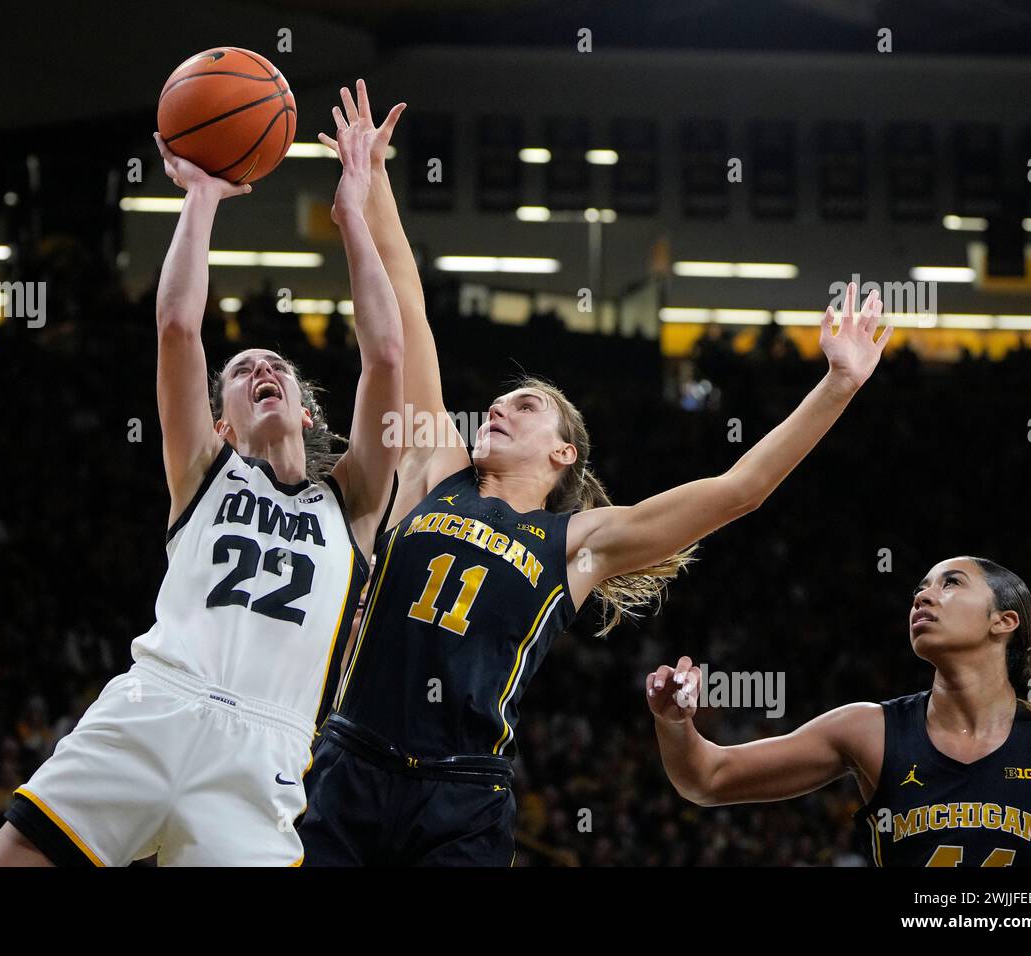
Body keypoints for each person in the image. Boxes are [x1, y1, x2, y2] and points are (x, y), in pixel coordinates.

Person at [297, 79, 892, 866]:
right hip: (349, 760)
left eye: (525, 405)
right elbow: (408, 303)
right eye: (498, 401)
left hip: (461, 793)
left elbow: (739, 490)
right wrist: (372, 181)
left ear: (564, 453)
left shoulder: (577, 543)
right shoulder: (434, 464)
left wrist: (838, 385)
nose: (498, 409)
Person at [0, 105, 403, 866]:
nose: (261, 370)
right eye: (242, 372)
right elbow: (177, 324)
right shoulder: (203, 472)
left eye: (277, 368)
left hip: (264, 754)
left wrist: (353, 213)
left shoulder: (356, 502)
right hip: (154, 707)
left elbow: (388, 359)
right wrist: (200, 198)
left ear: (307, 413)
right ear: (226, 424)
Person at [647, 557, 1031, 867]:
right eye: (920, 589)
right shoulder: (868, 730)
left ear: (1003, 621)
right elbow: (708, 779)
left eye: (949, 583)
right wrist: (674, 724)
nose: (922, 597)